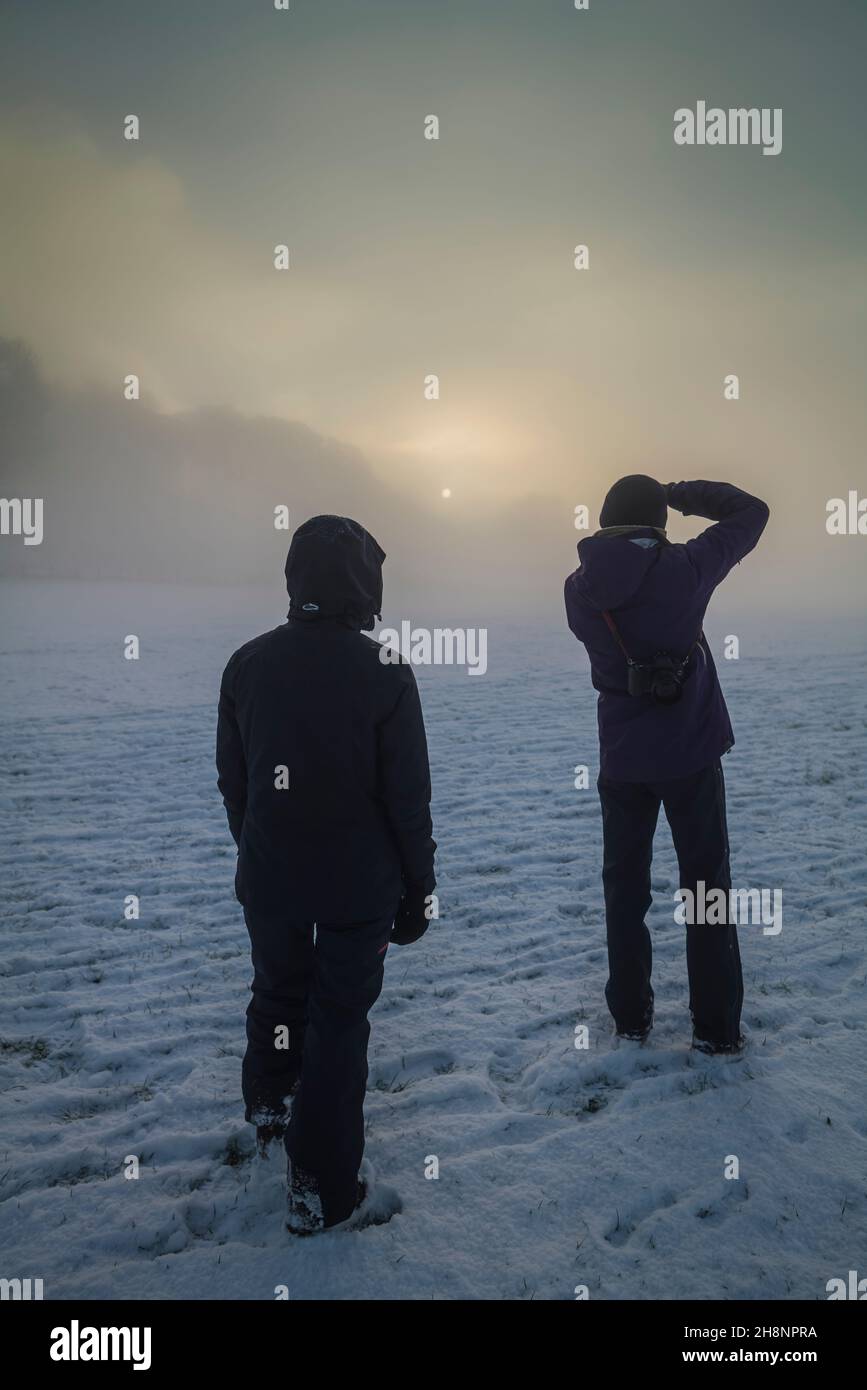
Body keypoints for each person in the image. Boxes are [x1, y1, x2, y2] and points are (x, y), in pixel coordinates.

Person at [217, 515, 436, 1233]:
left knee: (279, 989)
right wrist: (418, 886)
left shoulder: (247, 664)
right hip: (357, 886)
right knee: (338, 1021)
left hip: (272, 875)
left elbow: (235, 782)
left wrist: (256, 849)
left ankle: (272, 1107)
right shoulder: (384, 670)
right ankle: (321, 1187)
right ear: (365, 584)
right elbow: (407, 797)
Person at [564, 476, 769, 1054]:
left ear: (604, 521)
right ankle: (717, 1030)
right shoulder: (686, 569)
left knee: (623, 892)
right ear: (658, 522)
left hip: (623, 760)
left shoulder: (578, 591)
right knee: (707, 889)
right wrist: (678, 492)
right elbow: (752, 510)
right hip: (691, 754)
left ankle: (631, 1018)